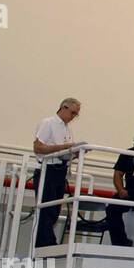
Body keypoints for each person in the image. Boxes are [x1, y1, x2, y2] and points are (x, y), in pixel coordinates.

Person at [32, 98, 84, 247]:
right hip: (47, 171)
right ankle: (46, 244)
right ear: (63, 107)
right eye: (73, 112)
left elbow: (64, 151)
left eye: (76, 114)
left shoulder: (67, 129)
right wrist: (64, 148)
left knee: (54, 211)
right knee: (46, 210)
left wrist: (75, 152)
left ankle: (47, 243)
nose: (74, 116)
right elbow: (38, 148)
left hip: (60, 172)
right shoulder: (48, 123)